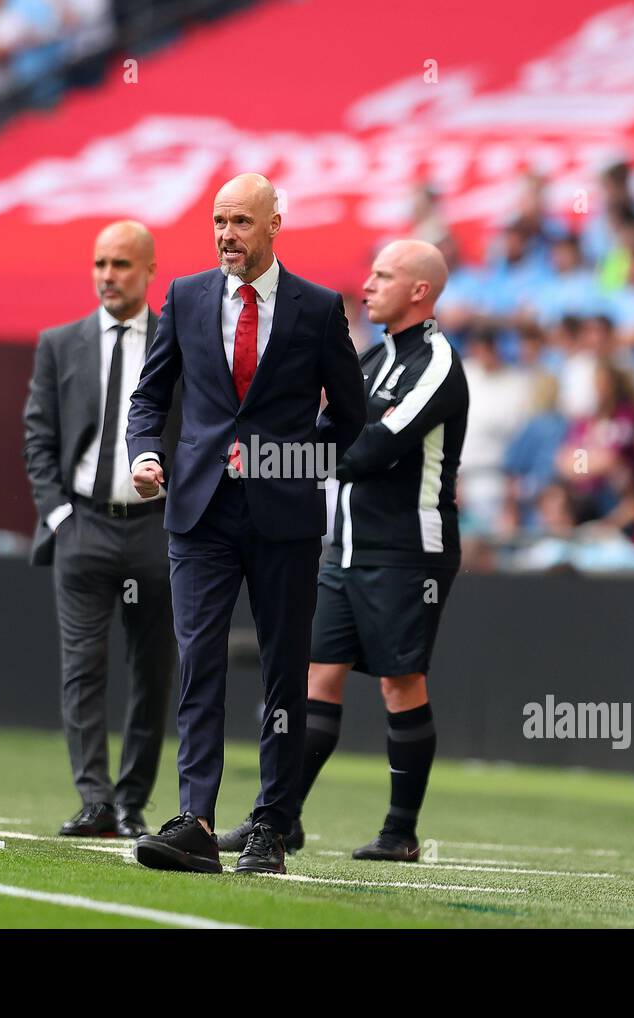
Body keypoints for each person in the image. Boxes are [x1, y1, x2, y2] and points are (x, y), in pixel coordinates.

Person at [125, 173, 366, 874]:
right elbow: (150, 397)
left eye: (240, 222)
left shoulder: (318, 307)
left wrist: (291, 461)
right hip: (198, 511)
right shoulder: (185, 296)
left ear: (273, 225)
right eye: (218, 221)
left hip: (283, 516)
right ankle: (195, 820)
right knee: (198, 662)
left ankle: (271, 827)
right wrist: (145, 452)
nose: (226, 235)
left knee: (285, 672)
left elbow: (349, 416)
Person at [217, 240, 468, 862]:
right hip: (346, 546)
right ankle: (279, 820)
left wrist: (277, 461)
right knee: (315, 675)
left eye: (383, 275)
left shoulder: (437, 362)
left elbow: (372, 448)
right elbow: (335, 432)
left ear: (420, 290)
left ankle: (400, 832)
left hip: (408, 550)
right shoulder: (374, 356)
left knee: (400, 684)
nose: (368, 284)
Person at [22, 220, 178, 839]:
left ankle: (132, 804)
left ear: (149, 270)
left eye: (121, 264)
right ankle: (95, 801)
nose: (107, 276)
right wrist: (60, 516)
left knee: (152, 672)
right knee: (81, 668)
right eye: (99, 264)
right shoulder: (60, 343)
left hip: (157, 530)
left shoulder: (179, 341)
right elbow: (38, 436)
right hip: (83, 525)